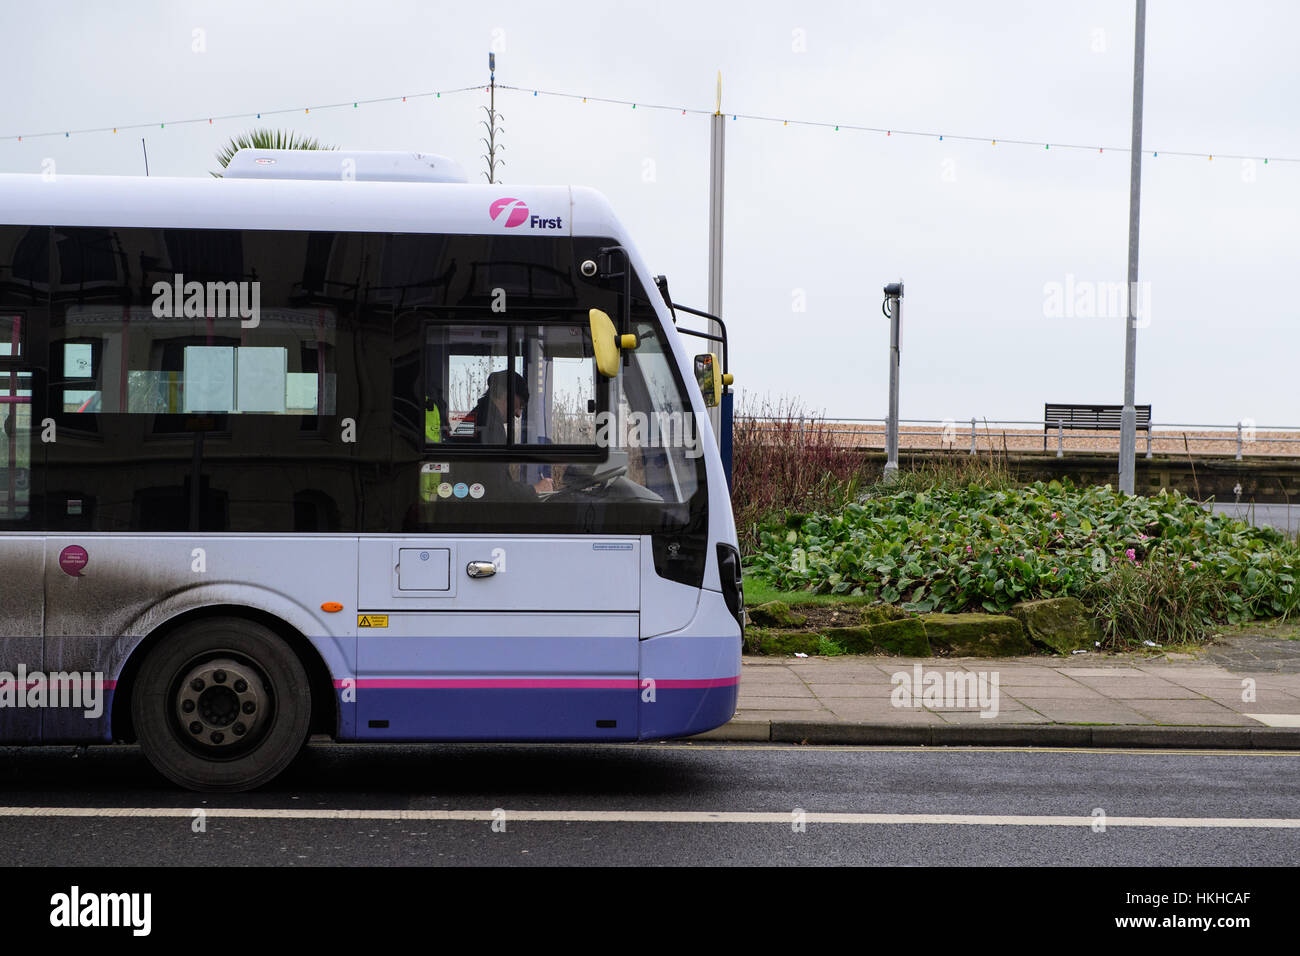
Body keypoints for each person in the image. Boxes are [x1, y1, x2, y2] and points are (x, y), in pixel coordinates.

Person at [469, 370, 553, 495]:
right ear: (508, 394)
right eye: (520, 405)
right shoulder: (490, 426)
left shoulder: (478, 416)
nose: (518, 414)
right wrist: (536, 489)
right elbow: (498, 489)